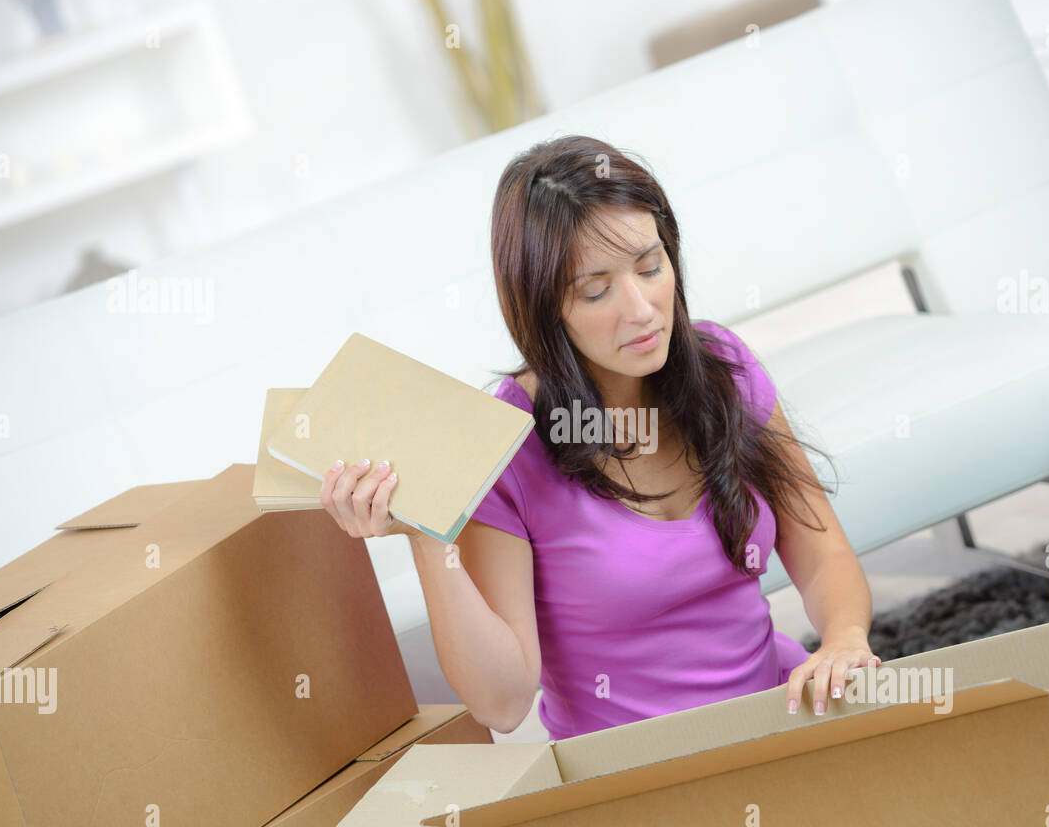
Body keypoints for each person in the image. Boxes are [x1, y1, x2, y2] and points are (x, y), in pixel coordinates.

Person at [319, 135, 879, 740]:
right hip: (635, 783)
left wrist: (844, 640)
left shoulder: (721, 369)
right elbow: (502, 704)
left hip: (782, 721)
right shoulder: (505, 448)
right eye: (596, 290)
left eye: (650, 266)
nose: (641, 309)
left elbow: (822, 557)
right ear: (543, 309)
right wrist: (429, 537)